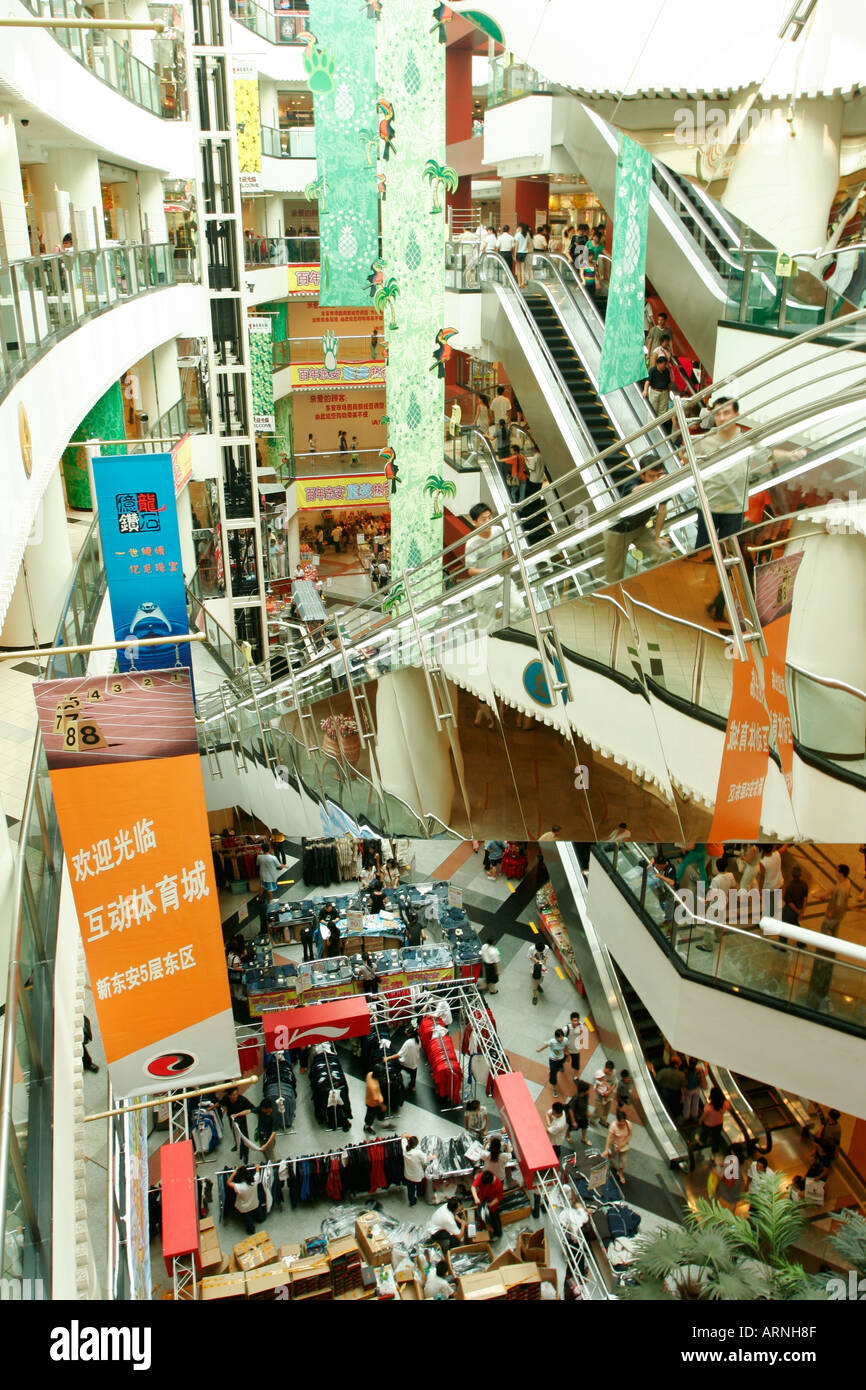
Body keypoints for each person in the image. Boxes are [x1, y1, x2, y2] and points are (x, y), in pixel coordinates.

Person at [688, 398, 807, 557]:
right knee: (702, 551)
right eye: (718, 414)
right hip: (709, 504)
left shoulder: (745, 440)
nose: (722, 418)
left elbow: (768, 455)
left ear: (736, 414)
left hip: (734, 507)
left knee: (729, 552)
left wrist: (790, 455)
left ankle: (722, 580)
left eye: (726, 413)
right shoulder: (705, 441)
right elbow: (687, 462)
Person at [603, 458, 670, 583]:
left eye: (659, 475)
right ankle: (614, 599)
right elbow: (635, 491)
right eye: (651, 476)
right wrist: (659, 482)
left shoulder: (661, 482)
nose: (655, 479)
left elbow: (662, 510)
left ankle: (655, 586)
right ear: (642, 475)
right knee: (614, 575)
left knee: (663, 553)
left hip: (639, 529)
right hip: (618, 532)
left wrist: (657, 537)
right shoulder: (632, 482)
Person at [643, 343, 673, 432]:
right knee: (653, 408)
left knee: (663, 411)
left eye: (665, 364)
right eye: (664, 364)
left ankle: (660, 429)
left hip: (664, 392)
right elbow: (647, 381)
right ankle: (650, 428)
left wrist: (668, 393)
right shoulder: (653, 370)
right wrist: (645, 391)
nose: (665, 366)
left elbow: (668, 383)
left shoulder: (666, 371)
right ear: (658, 364)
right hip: (655, 391)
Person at [227, 1165, 266, 1234]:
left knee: (248, 1222)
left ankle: (251, 1230)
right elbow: (257, 1171)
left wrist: (235, 1172)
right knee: (260, 1216)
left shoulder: (239, 1187)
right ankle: (260, 1219)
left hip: (244, 1208)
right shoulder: (255, 1180)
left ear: (241, 1178)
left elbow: (228, 1182)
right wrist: (257, 1167)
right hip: (254, 1203)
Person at [472, 1168, 503, 1239]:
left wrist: (491, 1204)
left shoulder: (498, 1185)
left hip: (492, 1205)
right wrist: (476, 1198)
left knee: (494, 1219)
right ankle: (483, 1227)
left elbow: (499, 1197)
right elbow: (473, 1187)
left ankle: (497, 1233)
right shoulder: (481, 1176)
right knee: (481, 1215)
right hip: (481, 1200)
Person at [603, 1108, 633, 1183]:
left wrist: (623, 1144)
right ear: (617, 1120)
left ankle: (620, 1173)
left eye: (623, 1121)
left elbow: (629, 1135)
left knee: (623, 1161)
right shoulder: (613, 1126)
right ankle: (610, 1155)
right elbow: (609, 1137)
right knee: (612, 1156)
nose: (622, 1124)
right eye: (621, 1122)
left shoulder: (628, 1124)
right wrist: (606, 1149)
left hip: (624, 1146)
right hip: (615, 1145)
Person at [537, 1029, 569, 1097]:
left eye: (561, 1037)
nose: (560, 1039)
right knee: (553, 1076)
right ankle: (554, 1088)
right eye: (558, 1037)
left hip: (561, 1058)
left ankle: (553, 1071)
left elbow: (566, 1046)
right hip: (553, 1060)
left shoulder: (565, 1040)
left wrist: (567, 1054)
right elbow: (546, 1045)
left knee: (556, 1069)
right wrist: (540, 1049)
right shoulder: (552, 1041)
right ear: (555, 1037)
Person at [364, 1068, 394, 1133]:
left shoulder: (370, 1074)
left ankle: (384, 1122)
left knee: (380, 1113)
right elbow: (376, 1099)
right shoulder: (373, 1087)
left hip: (371, 1099)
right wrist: (382, 1106)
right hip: (372, 1103)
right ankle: (367, 1127)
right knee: (370, 1116)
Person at [700, 1085, 729, 1150]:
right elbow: (727, 1107)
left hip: (708, 1124)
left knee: (704, 1133)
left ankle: (702, 1142)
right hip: (719, 1124)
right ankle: (715, 1149)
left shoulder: (709, 1107)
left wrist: (700, 1120)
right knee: (716, 1137)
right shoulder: (725, 1103)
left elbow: (704, 1116)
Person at [401, 1134, 427, 1206]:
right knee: (420, 1185)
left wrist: (409, 1136)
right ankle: (420, 1194)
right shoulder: (417, 1153)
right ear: (415, 1145)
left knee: (410, 1189)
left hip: (408, 1174)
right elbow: (425, 1160)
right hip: (417, 1174)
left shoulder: (405, 1148)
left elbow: (403, 1136)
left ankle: (412, 1201)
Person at [566, 1081, 591, 1147]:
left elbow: (586, 1104)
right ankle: (567, 1135)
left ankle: (584, 1138)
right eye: (587, 1090)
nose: (589, 1091)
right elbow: (570, 1109)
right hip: (576, 1116)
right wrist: (573, 1121)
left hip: (583, 1115)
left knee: (584, 1126)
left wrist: (587, 1111)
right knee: (571, 1127)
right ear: (583, 1091)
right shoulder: (576, 1097)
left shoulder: (586, 1095)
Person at [593, 1060, 617, 1127]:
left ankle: (603, 1121)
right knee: (599, 1110)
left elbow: (614, 1084)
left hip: (608, 1094)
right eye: (609, 1071)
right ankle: (592, 1120)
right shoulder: (598, 1075)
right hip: (600, 1095)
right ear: (605, 1068)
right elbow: (595, 1088)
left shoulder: (613, 1072)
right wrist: (602, 1093)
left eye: (611, 1071)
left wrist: (609, 1092)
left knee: (607, 1109)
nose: (610, 1072)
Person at [528, 941, 548, 1005]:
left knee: (540, 980)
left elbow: (547, 956)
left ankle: (538, 985)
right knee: (534, 983)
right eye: (538, 951)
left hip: (542, 968)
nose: (539, 953)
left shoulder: (546, 948)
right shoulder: (531, 948)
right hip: (534, 968)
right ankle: (534, 996)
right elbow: (529, 956)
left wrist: (543, 960)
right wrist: (536, 961)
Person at [514, 222, 531, 288]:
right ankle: (523, 283)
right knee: (523, 269)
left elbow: (516, 245)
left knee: (518, 269)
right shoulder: (527, 235)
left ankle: (519, 283)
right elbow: (528, 245)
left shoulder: (517, 235)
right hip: (525, 253)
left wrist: (515, 255)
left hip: (518, 253)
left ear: (520, 227)